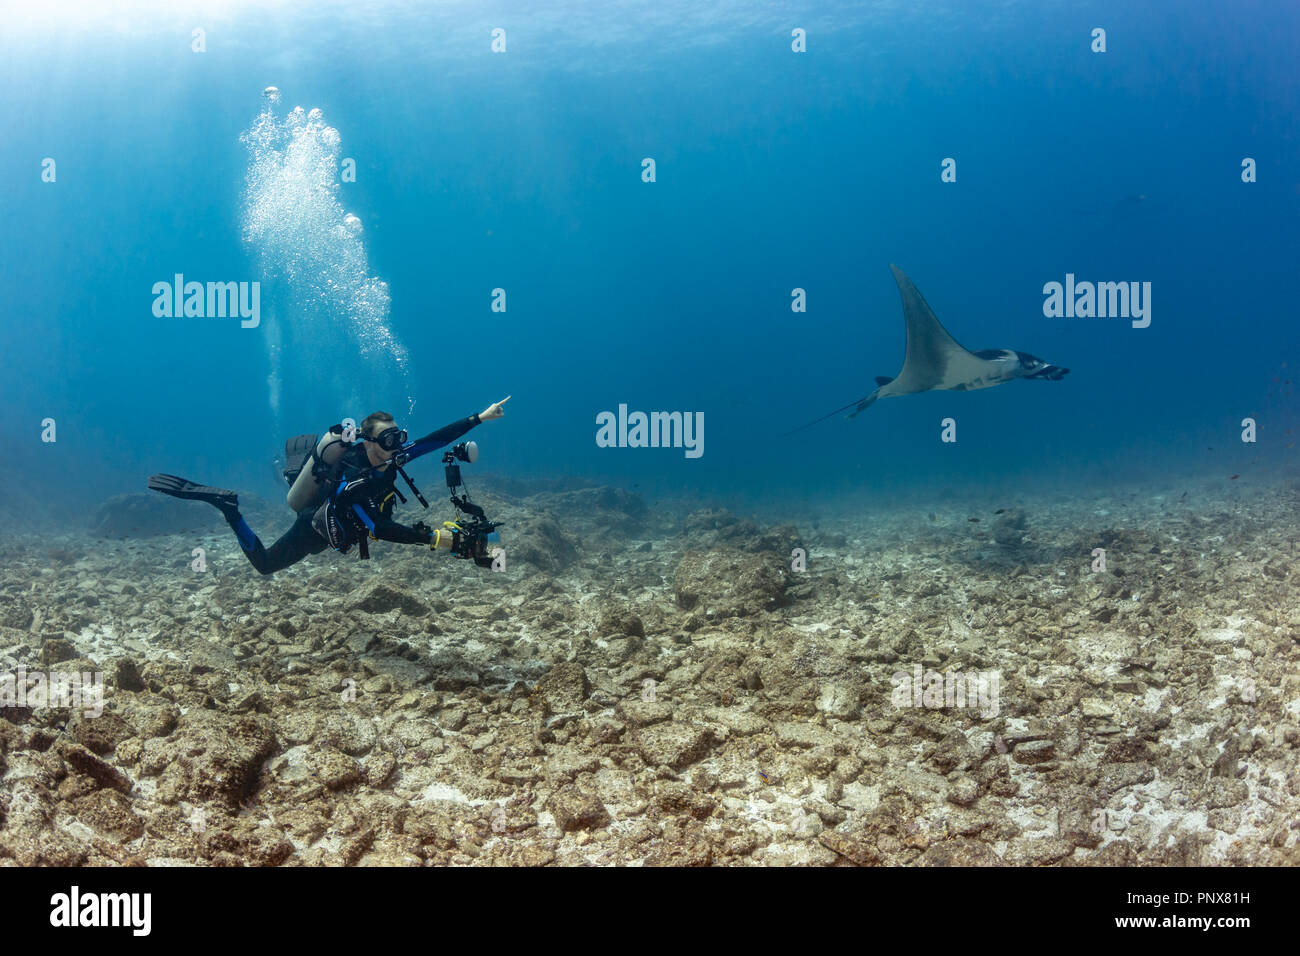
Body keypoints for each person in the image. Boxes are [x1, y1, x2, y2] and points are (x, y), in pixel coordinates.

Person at [149, 397, 509, 575]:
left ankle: (285, 472)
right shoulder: (357, 479)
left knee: (312, 541)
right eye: (388, 440)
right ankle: (229, 510)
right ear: (367, 442)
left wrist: (479, 417)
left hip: (337, 531)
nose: (397, 446)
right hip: (315, 527)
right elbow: (380, 529)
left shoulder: (390, 457)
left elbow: (433, 440)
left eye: (399, 437)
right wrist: (436, 540)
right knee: (265, 565)